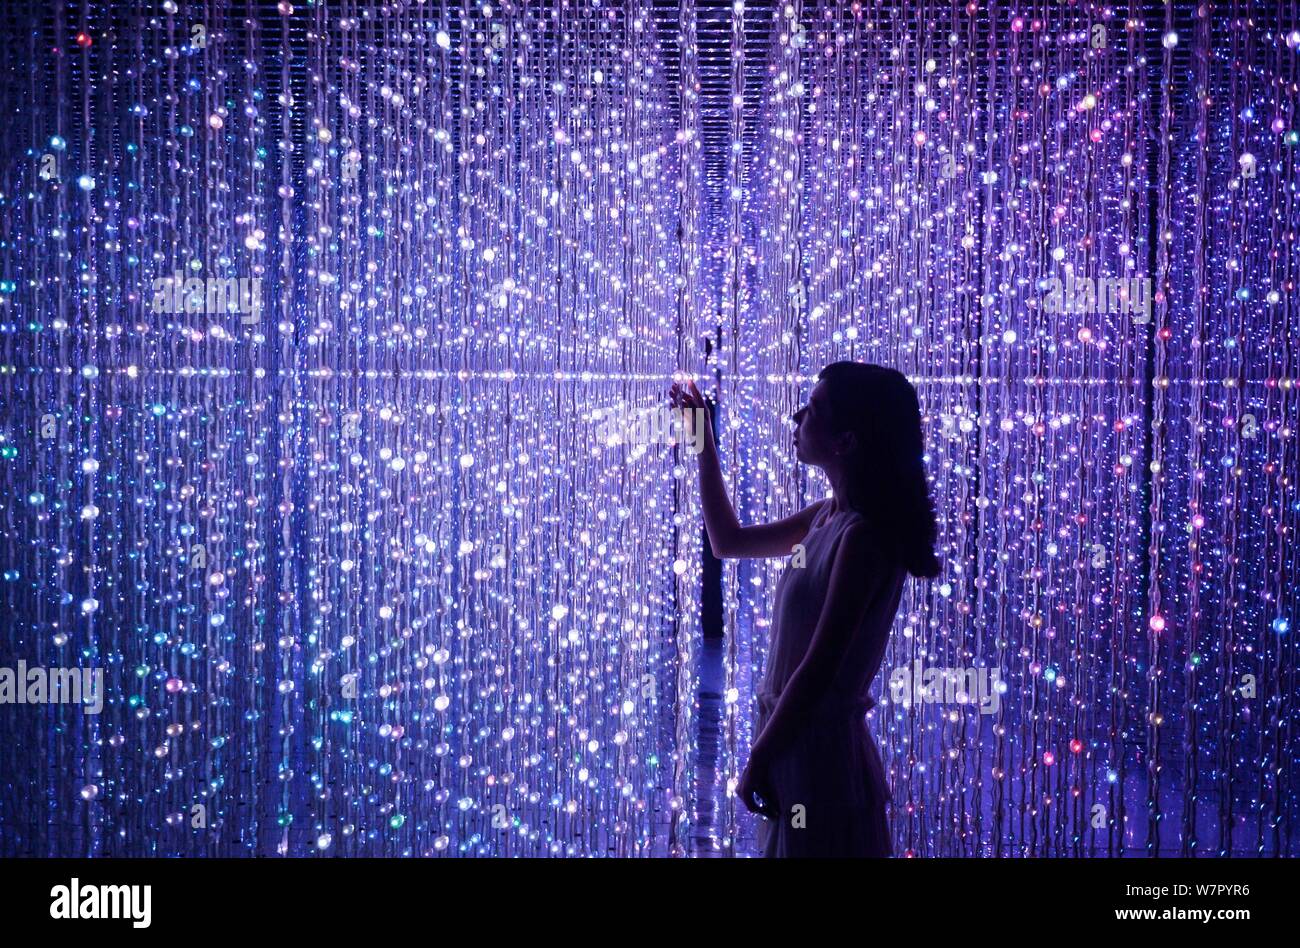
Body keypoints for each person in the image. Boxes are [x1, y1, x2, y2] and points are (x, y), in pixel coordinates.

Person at [668, 362, 940, 857]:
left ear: (847, 441)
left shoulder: (863, 538)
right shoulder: (827, 516)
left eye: (813, 410)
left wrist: (760, 756)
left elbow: (818, 668)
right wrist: (703, 442)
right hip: (796, 747)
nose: (796, 417)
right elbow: (727, 541)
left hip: (819, 758)